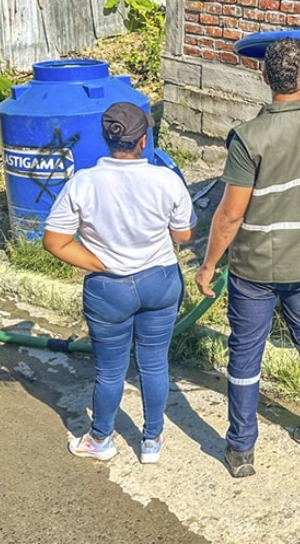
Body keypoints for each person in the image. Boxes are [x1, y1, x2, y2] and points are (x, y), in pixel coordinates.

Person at [194, 37, 300, 478]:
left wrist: (209, 265)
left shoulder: (249, 138)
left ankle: (241, 450)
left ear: (263, 78)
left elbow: (230, 214)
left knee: (246, 353)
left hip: (255, 268)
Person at [43, 101, 195, 464]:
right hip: (160, 280)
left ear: (106, 139)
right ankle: (152, 441)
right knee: (154, 363)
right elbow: (185, 235)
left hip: (108, 288)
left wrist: (96, 262)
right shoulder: (165, 180)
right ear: (143, 141)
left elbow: (54, 241)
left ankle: (101, 440)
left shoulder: (83, 183)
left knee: (110, 371)